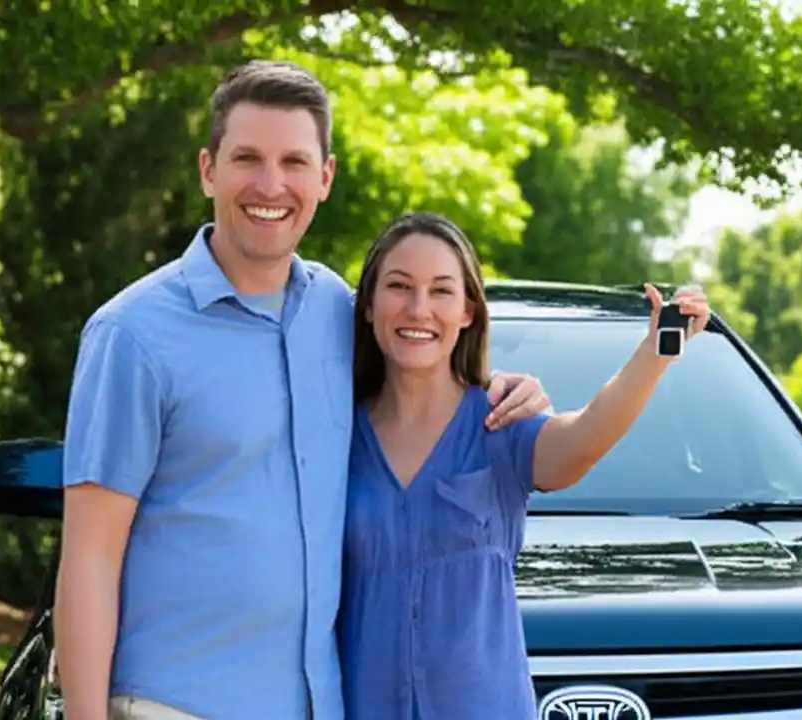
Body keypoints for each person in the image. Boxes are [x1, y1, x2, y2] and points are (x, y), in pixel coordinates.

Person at [53, 61, 550, 720]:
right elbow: (89, 554)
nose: (270, 184)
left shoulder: (339, 315)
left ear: (325, 178)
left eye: (293, 161)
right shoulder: (134, 335)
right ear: (208, 169)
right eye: (247, 158)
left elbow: (423, 372)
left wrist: (514, 389)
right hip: (174, 703)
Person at [337, 212, 711, 719]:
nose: (418, 308)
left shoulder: (501, 423)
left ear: (468, 310)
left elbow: (583, 439)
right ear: (368, 305)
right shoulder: (334, 436)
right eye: (398, 286)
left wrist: (655, 354)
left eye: (441, 291)